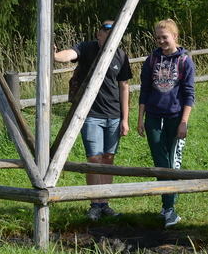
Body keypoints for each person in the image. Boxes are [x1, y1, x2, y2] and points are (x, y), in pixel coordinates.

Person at [54, 21, 132, 220]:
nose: (109, 35)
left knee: (108, 159)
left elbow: (124, 87)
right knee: (94, 159)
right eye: (106, 32)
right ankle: (94, 203)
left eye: (114, 32)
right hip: (90, 115)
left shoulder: (121, 55)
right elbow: (69, 55)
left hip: (114, 115)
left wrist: (125, 119)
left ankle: (104, 203)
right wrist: (54, 55)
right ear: (99, 34)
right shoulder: (87, 48)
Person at [137, 18, 195, 228]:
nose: (161, 41)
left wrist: (184, 122)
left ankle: (169, 207)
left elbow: (189, 94)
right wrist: (140, 118)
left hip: (175, 116)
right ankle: (168, 206)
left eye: (165, 37)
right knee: (159, 160)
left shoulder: (185, 61)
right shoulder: (151, 60)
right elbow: (144, 90)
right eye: (158, 37)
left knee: (171, 161)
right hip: (153, 115)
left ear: (175, 36)